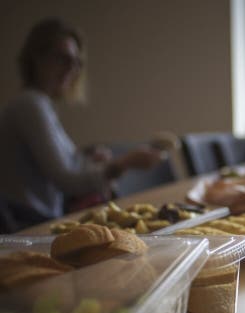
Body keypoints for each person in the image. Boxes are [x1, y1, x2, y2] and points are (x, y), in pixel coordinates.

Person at [0, 18, 164, 232]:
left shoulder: (40, 105)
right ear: (36, 58)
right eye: (62, 58)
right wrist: (124, 163)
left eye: (77, 62)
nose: (72, 68)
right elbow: (68, 182)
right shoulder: (29, 105)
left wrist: (85, 157)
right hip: (29, 226)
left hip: (38, 221)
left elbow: (57, 169)